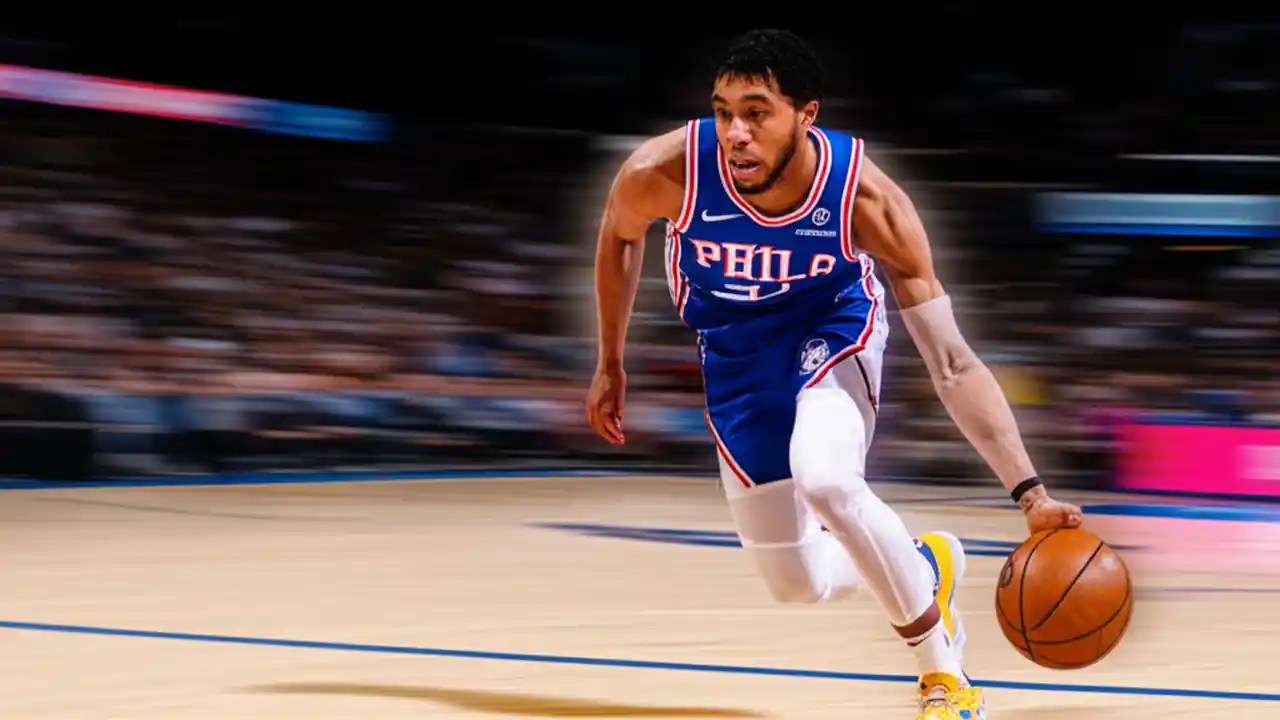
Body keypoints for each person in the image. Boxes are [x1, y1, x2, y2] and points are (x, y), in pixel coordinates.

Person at [586, 28, 1084, 720]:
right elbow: (617, 235)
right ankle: (926, 566)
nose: (735, 131)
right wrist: (609, 359)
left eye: (757, 111)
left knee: (825, 477)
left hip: (832, 331)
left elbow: (951, 360)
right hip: (734, 357)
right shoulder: (663, 171)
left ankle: (943, 675)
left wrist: (1029, 496)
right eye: (724, 110)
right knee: (796, 584)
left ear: (806, 114)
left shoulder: (865, 199)